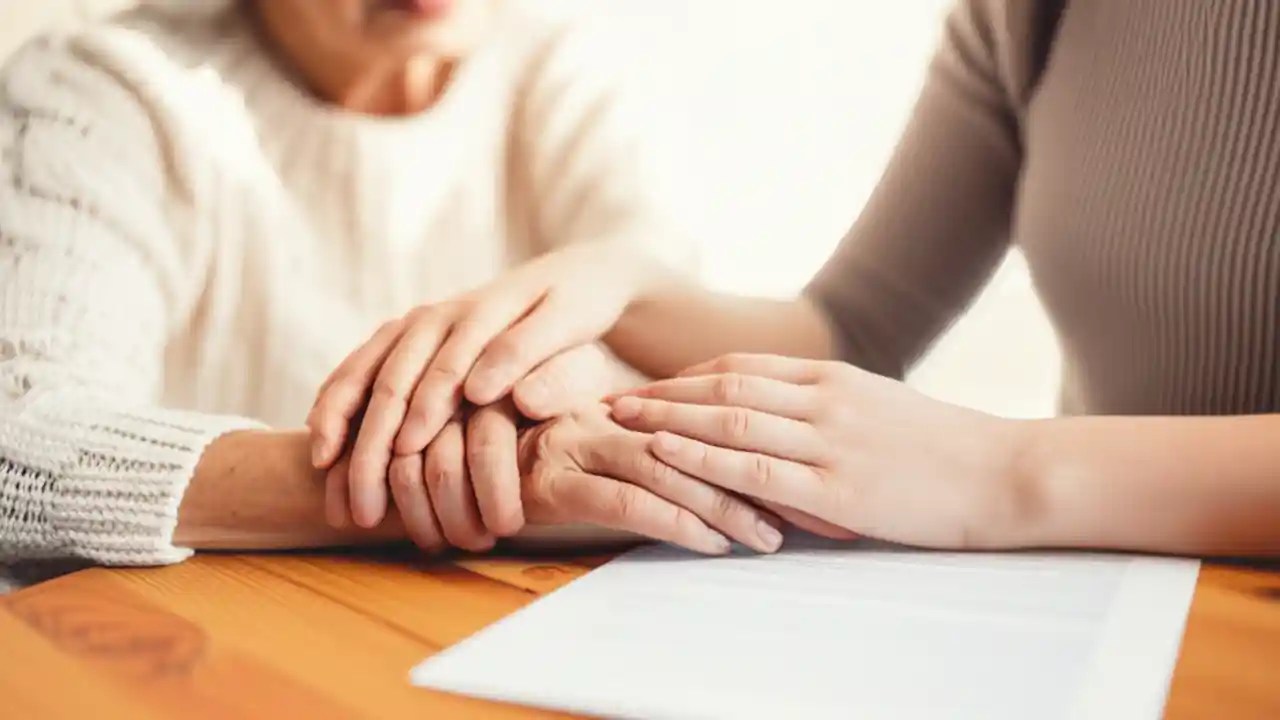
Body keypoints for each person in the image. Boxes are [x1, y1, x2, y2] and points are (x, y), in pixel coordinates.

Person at [321, 0, 1280, 558]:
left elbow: (974, 453)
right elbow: (853, 326)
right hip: (1095, 590)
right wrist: (625, 287)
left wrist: (1005, 469)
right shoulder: (1032, 12)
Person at [0, 0, 786, 590]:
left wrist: (568, 409)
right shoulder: (103, 88)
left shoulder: (561, 66)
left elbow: (692, 369)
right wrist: (466, 480)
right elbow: (18, 447)